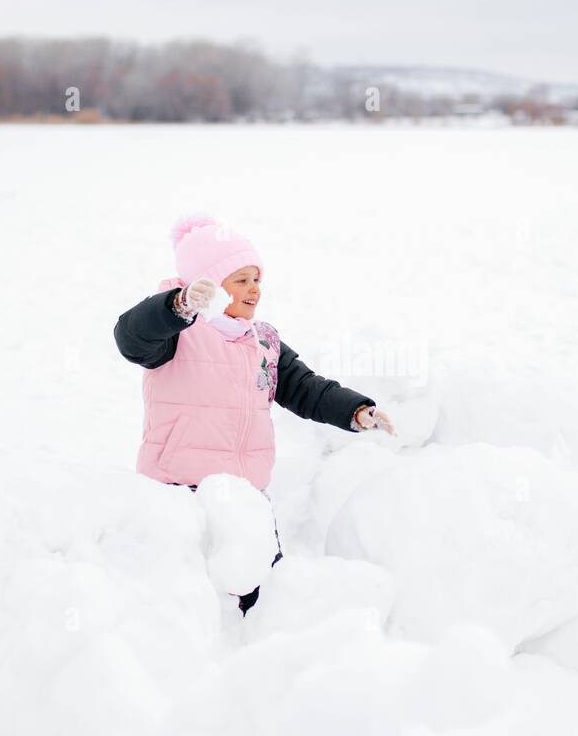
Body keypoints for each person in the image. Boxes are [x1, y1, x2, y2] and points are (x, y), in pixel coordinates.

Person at [113, 214, 395, 614]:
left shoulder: (262, 340)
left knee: (266, 607)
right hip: (182, 496)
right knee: (183, 609)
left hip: (247, 501)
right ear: (209, 285)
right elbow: (130, 337)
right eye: (241, 280)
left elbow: (306, 389)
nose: (254, 290)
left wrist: (356, 409)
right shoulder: (176, 334)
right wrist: (177, 307)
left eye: (257, 279)